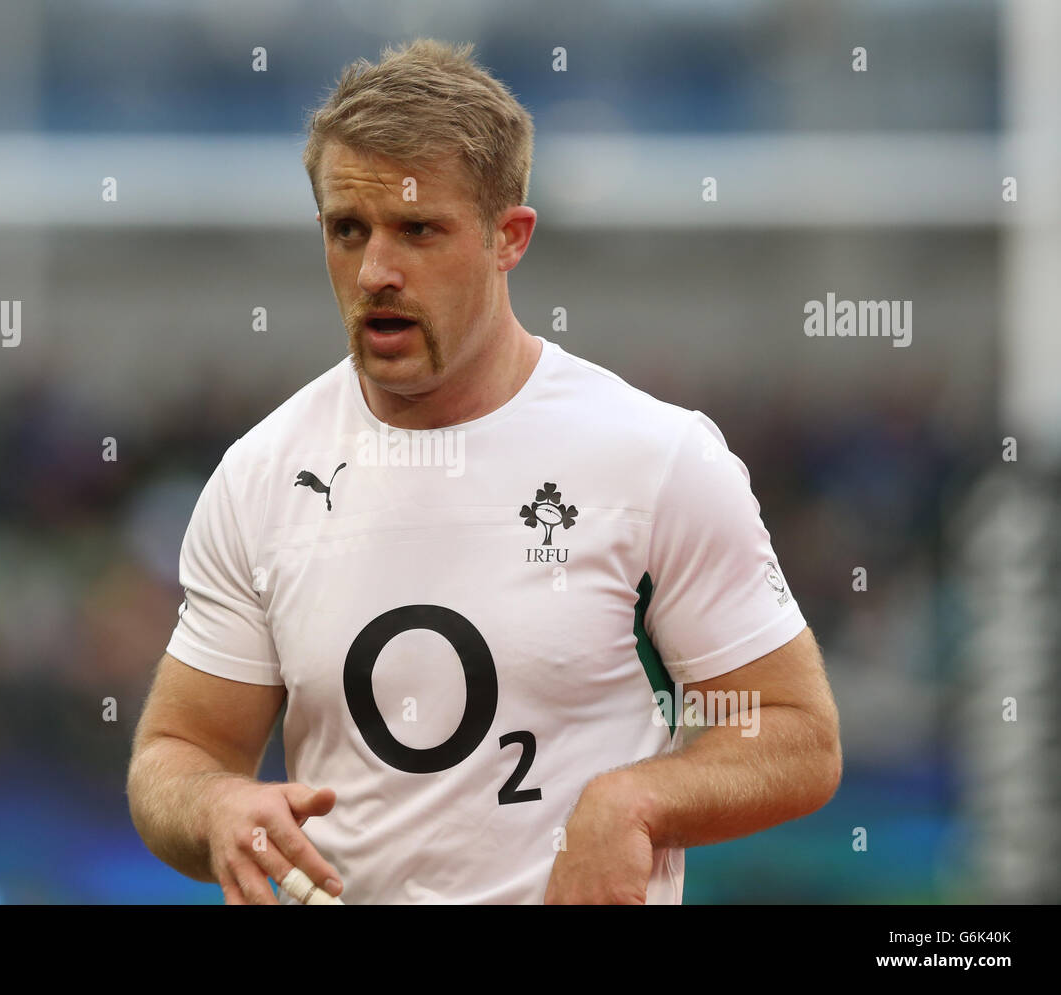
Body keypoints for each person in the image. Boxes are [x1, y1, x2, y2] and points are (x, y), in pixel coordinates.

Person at [127, 38, 841, 905]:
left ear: (510, 238)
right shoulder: (262, 476)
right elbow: (179, 750)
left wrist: (638, 800)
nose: (377, 271)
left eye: (418, 230)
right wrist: (215, 806)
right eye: (347, 230)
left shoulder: (656, 459)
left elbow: (795, 732)